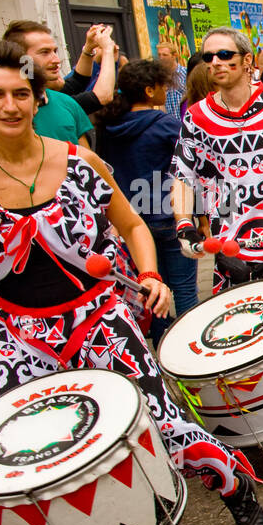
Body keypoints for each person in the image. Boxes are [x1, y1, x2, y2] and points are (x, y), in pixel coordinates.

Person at [0, 40, 263, 525]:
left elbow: (133, 225)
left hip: (97, 320)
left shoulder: (80, 164)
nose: (10, 105)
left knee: (158, 421)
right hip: (15, 335)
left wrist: (153, 274)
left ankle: (235, 489)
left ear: (39, 99)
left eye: (20, 93)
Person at [170, 26, 263, 293]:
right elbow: (183, 175)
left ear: (247, 60)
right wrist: (184, 225)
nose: (215, 62)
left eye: (224, 54)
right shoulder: (197, 117)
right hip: (231, 247)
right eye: (208, 57)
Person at [95, 59, 197, 341]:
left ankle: (163, 344)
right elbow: (186, 169)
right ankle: (189, 344)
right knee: (185, 289)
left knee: (152, 290)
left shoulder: (108, 127)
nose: (167, 90)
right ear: (150, 91)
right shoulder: (166, 124)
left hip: (131, 220)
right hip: (168, 217)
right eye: (164, 86)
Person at [1, 22, 100, 145]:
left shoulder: (67, 103)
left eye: (55, 51)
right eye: (44, 52)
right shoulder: (2, 113)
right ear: (20, 59)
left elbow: (86, 161)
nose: (56, 60)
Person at [156, 42, 188, 120]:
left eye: (165, 55)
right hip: (170, 124)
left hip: (185, 121)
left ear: (174, 56)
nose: (161, 58)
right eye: (159, 55)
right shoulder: (160, 77)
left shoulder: (186, 74)